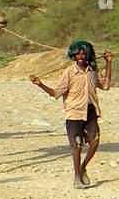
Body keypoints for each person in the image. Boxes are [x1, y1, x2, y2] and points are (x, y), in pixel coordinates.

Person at [31, 41, 112, 189]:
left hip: (91, 111)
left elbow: (105, 85)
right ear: (73, 55)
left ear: (88, 54)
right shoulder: (69, 72)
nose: (80, 56)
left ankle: (83, 167)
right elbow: (56, 93)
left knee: (95, 141)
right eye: (77, 53)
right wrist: (39, 84)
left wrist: (108, 64)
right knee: (77, 145)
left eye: (83, 53)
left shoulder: (93, 71)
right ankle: (76, 178)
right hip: (74, 113)